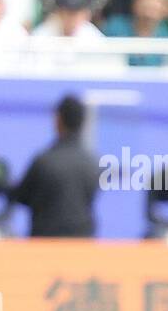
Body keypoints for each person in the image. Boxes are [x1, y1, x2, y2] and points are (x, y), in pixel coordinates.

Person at [11, 94, 101, 238]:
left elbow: (21, 196)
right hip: (82, 244)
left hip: (45, 245)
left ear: (58, 120)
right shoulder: (93, 163)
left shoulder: (44, 161)